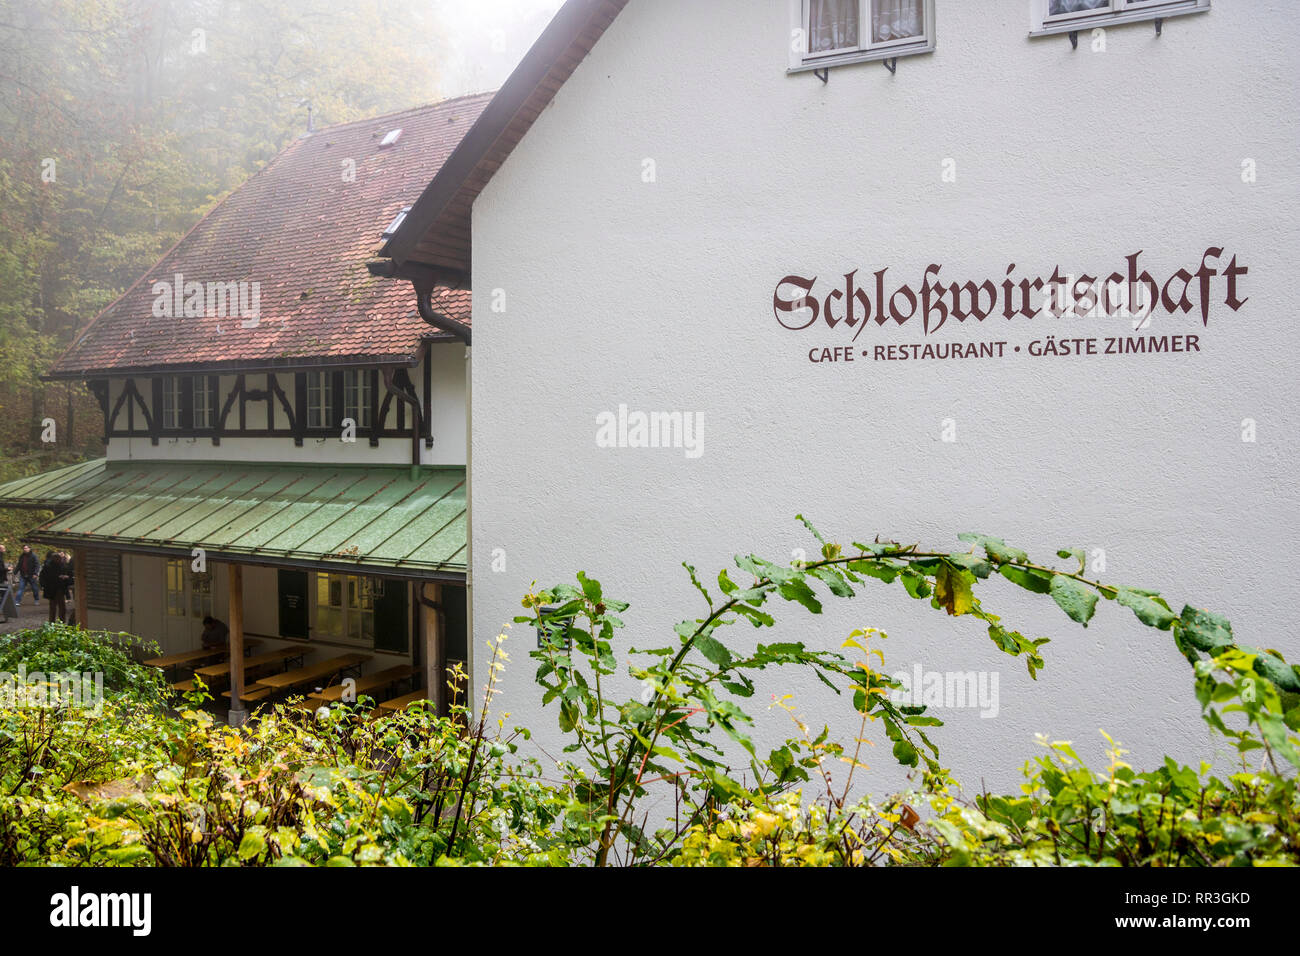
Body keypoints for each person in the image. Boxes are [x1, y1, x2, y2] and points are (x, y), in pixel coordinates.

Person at [39, 551, 70, 624]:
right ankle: (61, 622)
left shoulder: (48, 566)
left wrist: (44, 585)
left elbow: (43, 577)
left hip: (52, 589)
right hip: (58, 588)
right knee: (60, 607)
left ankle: (52, 622)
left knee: (54, 607)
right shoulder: (61, 566)